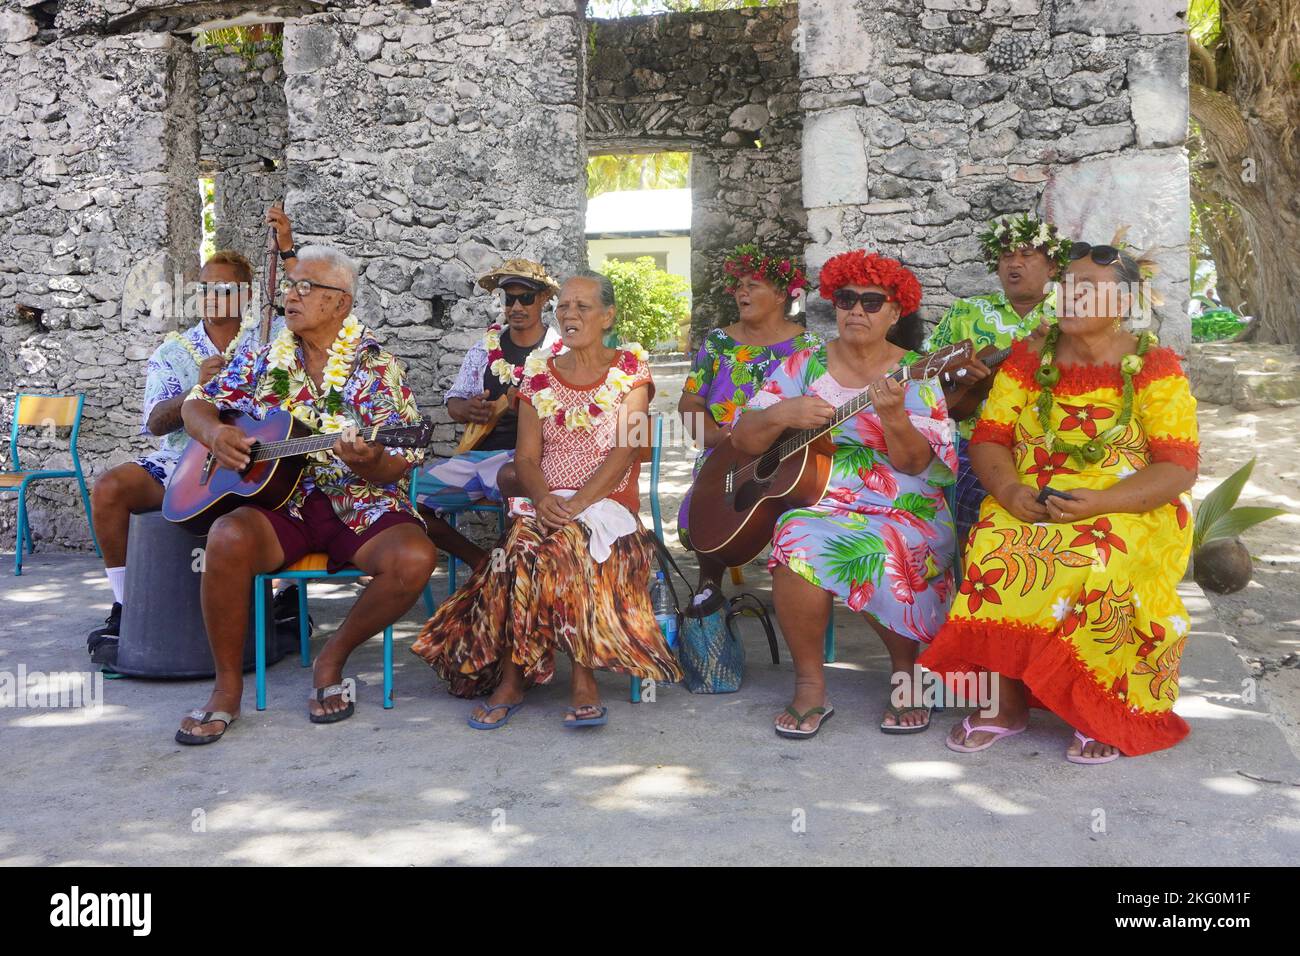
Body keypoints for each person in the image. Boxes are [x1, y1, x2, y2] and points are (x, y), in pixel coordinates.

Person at [918, 238, 1198, 763]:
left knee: (1100, 557)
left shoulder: (1153, 365)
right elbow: (990, 438)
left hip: (1128, 506)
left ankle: (1092, 709)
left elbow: (1178, 465)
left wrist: (1102, 502)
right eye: (1067, 285)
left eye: (1088, 290)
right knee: (996, 544)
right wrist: (1009, 490)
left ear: (1123, 306)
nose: (1069, 295)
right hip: (1032, 497)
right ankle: (1006, 706)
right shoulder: (1030, 358)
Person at [173, 246, 437, 743]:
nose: (290, 296)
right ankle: (226, 690)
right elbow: (197, 406)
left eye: (305, 288)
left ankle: (331, 659)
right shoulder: (260, 353)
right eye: (290, 286)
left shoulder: (378, 366)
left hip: (357, 501)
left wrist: (370, 459)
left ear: (340, 303)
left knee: (414, 556)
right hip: (280, 503)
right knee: (226, 537)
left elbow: (400, 458)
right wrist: (215, 436)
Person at [410, 271, 681, 728]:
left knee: (563, 544)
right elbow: (526, 457)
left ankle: (580, 678)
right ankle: (514, 679)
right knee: (520, 546)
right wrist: (543, 498)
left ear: (608, 315)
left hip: (606, 508)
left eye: (583, 306)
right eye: (565, 307)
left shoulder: (632, 370)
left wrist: (576, 506)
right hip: (547, 501)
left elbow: (627, 449)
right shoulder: (538, 376)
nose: (570, 314)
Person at [730, 251, 958, 739]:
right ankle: (811, 685)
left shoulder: (918, 373)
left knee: (888, 545)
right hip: (825, 499)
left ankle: (906, 671)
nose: (857, 310)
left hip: (904, 503)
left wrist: (894, 417)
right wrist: (781, 414)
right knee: (793, 537)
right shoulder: (803, 364)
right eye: (846, 299)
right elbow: (744, 441)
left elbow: (917, 463)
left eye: (872, 301)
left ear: (896, 312)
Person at [85, 251, 273, 663]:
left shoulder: (270, 341)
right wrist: (196, 391)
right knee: (110, 489)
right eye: (204, 288)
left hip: (255, 455)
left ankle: (285, 603)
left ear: (245, 296)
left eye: (223, 288)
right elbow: (155, 422)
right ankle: (125, 607)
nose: (211, 296)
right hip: (183, 460)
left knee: (296, 479)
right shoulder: (173, 352)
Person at [677, 244, 821, 608]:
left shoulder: (809, 346)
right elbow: (691, 401)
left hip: (786, 456)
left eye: (752, 285)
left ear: (780, 294)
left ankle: (800, 585)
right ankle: (709, 584)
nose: (741, 292)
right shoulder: (718, 343)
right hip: (724, 454)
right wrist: (712, 437)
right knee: (704, 496)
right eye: (739, 285)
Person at [924, 213, 1071, 547]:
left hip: (1051, 443)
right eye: (1006, 256)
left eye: (1026, 255)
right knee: (979, 526)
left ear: (1053, 268)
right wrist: (959, 374)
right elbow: (923, 371)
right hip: (973, 441)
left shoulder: (1070, 315)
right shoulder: (966, 311)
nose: (1013, 264)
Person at [417, 259, 564, 570]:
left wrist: (530, 409)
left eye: (525, 298)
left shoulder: (560, 352)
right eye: (509, 298)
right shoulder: (484, 349)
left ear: (543, 299)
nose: (516, 306)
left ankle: (521, 567)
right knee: (409, 500)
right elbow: (454, 401)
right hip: (478, 459)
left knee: (514, 477)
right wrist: (466, 409)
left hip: (534, 461)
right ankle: (482, 563)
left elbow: (569, 416)